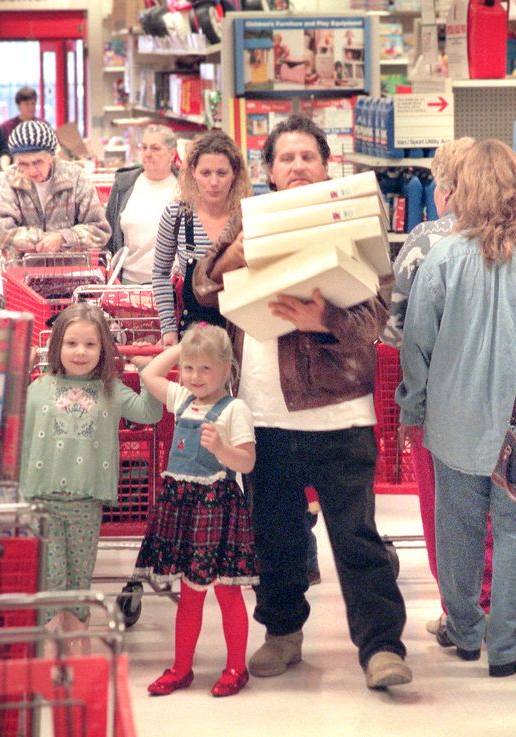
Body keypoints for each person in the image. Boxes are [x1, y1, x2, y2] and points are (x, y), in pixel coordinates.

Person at [192, 115, 411, 690]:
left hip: (341, 411)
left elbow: (380, 316)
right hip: (263, 412)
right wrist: (225, 260)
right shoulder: (249, 218)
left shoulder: (354, 216)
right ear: (268, 170)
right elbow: (201, 288)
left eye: (307, 157)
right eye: (285, 158)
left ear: (325, 164)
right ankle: (282, 632)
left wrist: (326, 319)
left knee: (356, 536)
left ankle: (382, 647)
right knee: (275, 535)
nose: (297, 167)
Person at [396, 139, 516, 679]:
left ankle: (465, 631)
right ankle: (507, 648)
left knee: (457, 528)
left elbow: (416, 343)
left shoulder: (442, 257)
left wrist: (412, 409)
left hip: (454, 418)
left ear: (462, 191)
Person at [21, 302, 162, 645]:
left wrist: (146, 373)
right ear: (56, 346)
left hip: (87, 501)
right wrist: (18, 368)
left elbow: (150, 413)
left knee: (79, 581)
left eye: (90, 344)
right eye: (71, 343)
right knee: (52, 579)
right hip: (41, 500)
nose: (80, 352)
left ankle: (75, 649)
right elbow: (7, 416)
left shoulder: (112, 390)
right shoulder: (38, 388)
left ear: (103, 349)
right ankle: (54, 649)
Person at [381, 136, 476, 640]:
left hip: (437, 398)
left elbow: (396, 328)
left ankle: (456, 611)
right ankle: (493, 603)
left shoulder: (425, 241)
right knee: (496, 507)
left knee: (441, 505)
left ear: (444, 189)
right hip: (503, 401)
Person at [132, 326, 258, 698]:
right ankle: (181, 667)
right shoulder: (182, 398)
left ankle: (236, 668)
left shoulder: (235, 409)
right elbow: (149, 374)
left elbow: (247, 462)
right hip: (184, 509)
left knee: (227, 593)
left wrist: (222, 450)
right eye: (188, 368)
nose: (195, 377)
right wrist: (182, 347)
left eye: (206, 368)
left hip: (217, 508)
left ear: (226, 369)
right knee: (189, 594)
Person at [153, 130, 249, 345]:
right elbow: (160, 273)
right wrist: (168, 329)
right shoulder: (177, 215)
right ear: (193, 172)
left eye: (222, 173)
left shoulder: (248, 215)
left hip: (240, 333)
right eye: (206, 173)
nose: (214, 182)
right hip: (192, 335)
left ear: (235, 173)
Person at [0, 120, 110, 262]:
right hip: (23, 270)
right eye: (23, 164)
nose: (32, 171)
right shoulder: (8, 181)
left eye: (37, 162)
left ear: (51, 156)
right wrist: (47, 239)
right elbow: (4, 235)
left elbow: (100, 231)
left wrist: (63, 237)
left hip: (73, 270)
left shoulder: (76, 178)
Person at [106, 125, 178, 284]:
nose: (147, 154)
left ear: (172, 154)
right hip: (129, 283)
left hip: (173, 285)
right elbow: (109, 235)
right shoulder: (123, 185)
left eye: (155, 148)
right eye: (144, 147)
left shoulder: (185, 187)